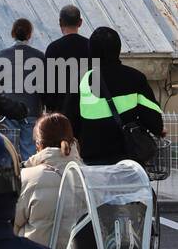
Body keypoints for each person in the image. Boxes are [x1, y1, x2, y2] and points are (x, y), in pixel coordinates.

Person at [68, 25, 164, 166]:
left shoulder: (81, 80)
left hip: (93, 158)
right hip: (128, 158)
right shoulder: (135, 78)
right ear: (118, 49)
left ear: (91, 51)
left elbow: (70, 121)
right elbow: (154, 120)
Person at [14, 112, 81, 248]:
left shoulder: (29, 178)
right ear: (72, 141)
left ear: (38, 144)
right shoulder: (86, 175)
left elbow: (12, 224)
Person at [0, 17, 46, 161]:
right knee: (31, 153)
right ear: (29, 34)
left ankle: (11, 180)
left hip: (9, 110)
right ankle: (30, 180)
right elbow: (45, 86)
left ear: (12, 33)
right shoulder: (39, 56)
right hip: (32, 110)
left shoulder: (2, 56)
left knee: (9, 152)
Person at [45, 6, 91, 115]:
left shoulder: (53, 48)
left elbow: (48, 83)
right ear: (80, 22)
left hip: (61, 110)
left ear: (60, 22)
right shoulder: (91, 46)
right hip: (87, 109)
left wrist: (50, 106)